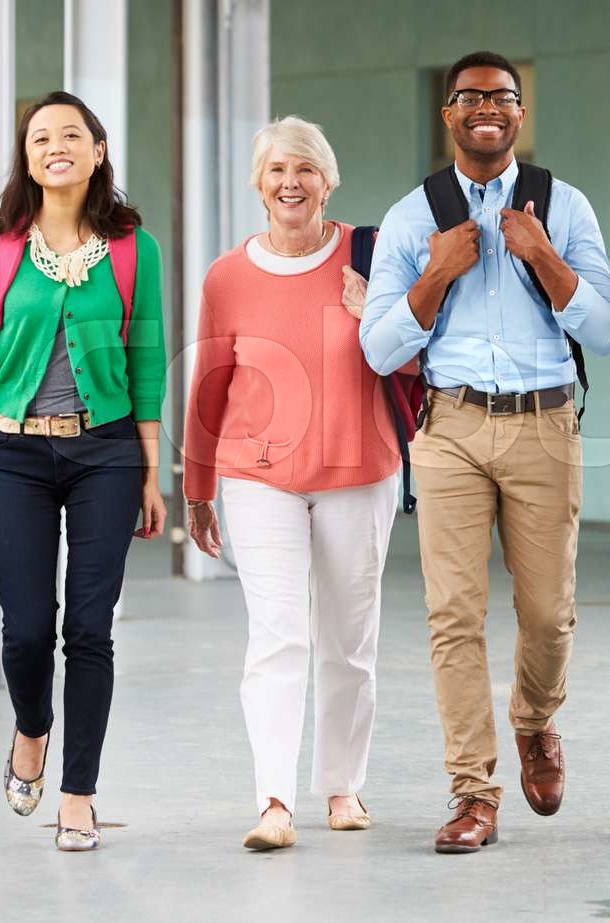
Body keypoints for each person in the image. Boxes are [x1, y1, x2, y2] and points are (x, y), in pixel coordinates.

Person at [360, 51, 610, 853]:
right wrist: (434, 277)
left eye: (502, 97)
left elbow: (608, 330)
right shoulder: (414, 217)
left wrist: (544, 255)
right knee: (453, 616)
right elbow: (376, 346)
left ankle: (536, 721)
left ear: (519, 112)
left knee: (548, 613)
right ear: (448, 115)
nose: (487, 108)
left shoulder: (564, 206)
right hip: (452, 429)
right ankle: (473, 791)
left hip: (546, 422)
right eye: (470, 97)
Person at [0, 91, 167, 852]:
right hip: (12, 455)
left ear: (98, 150)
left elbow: (147, 360)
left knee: (90, 628)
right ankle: (31, 727)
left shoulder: (134, 247)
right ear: (27, 156)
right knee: (27, 628)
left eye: (71, 133)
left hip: (106, 452)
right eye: (40, 137)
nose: (55, 145)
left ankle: (78, 793)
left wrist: (149, 469)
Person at [183, 116, 403, 851]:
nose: (290, 182)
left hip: (358, 469)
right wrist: (198, 484)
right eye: (277, 170)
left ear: (328, 180)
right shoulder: (228, 276)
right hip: (258, 478)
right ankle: (274, 799)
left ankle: (342, 785)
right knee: (278, 636)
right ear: (258, 183)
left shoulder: (373, 260)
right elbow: (210, 385)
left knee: (349, 638)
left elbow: (417, 368)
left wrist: (374, 311)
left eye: (305, 169)